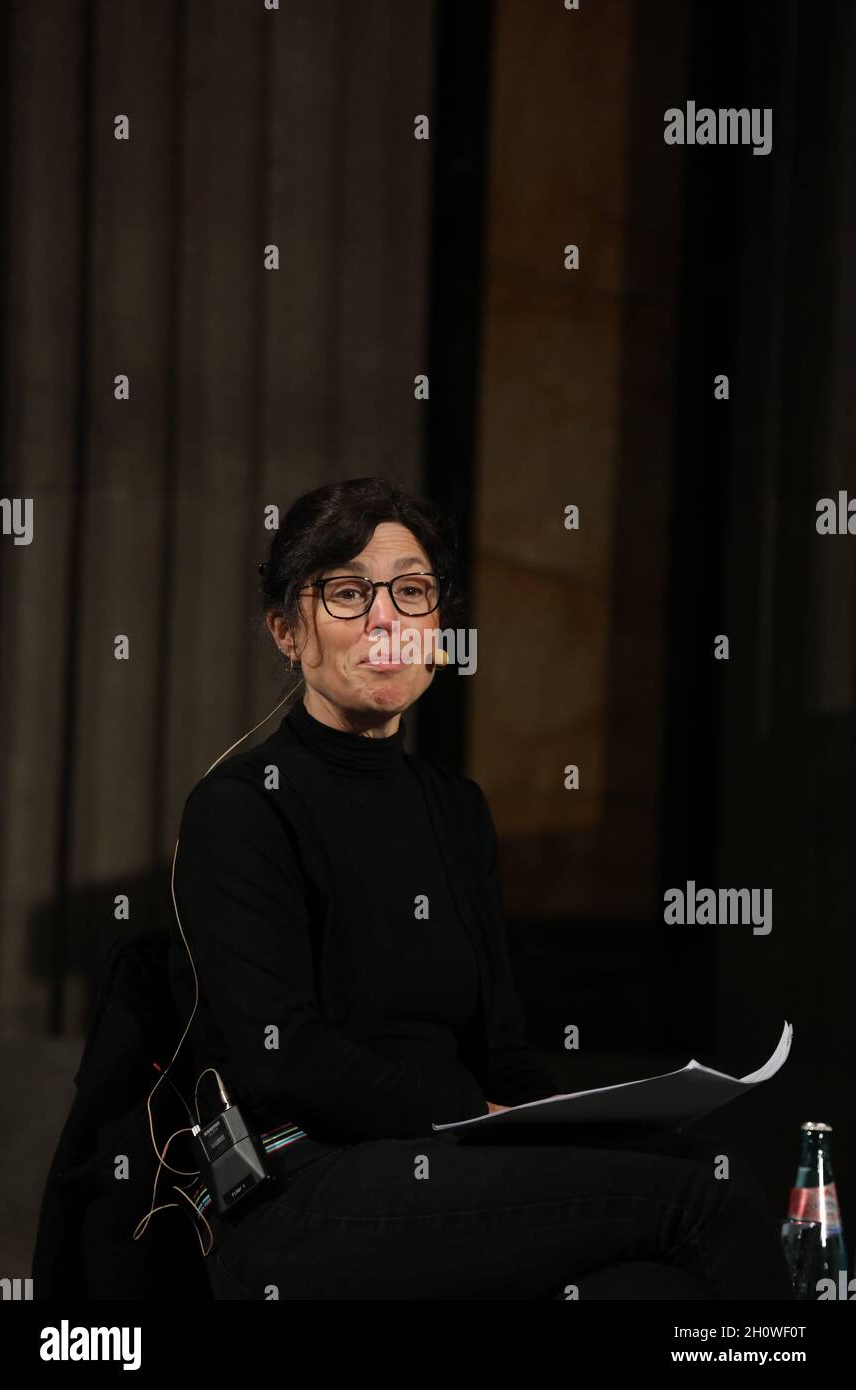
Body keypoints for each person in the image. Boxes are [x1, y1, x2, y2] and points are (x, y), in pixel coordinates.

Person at [167, 475, 795, 1300]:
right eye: (349, 594)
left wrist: (586, 1130)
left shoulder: (454, 809)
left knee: (655, 1265)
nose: (387, 619)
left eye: (413, 592)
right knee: (705, 1186)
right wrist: (473, 1115)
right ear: (287, 629)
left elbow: (502, 1049)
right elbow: (290, 1060)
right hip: (305, 1183)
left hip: (454, 1160)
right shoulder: (240, 807)